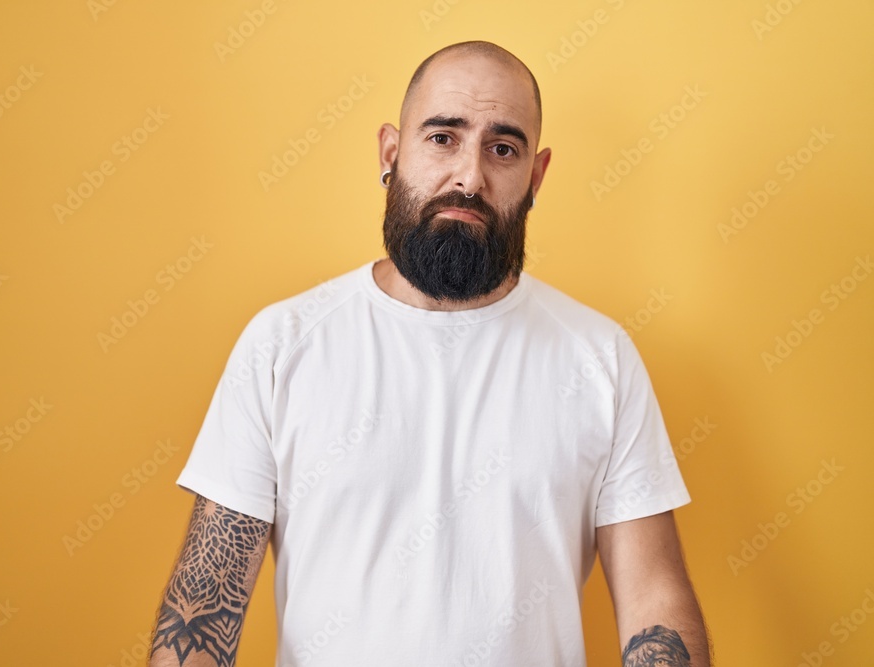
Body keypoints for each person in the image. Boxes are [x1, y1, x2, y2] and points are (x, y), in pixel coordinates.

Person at [147, 40, 712, 667]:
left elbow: (654, 601)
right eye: (443, 138)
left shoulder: (600, 358)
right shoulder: (282, 345)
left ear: (536, 176)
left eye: (503, 149)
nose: (470, 177)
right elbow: (205, 607)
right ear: (391, 153)